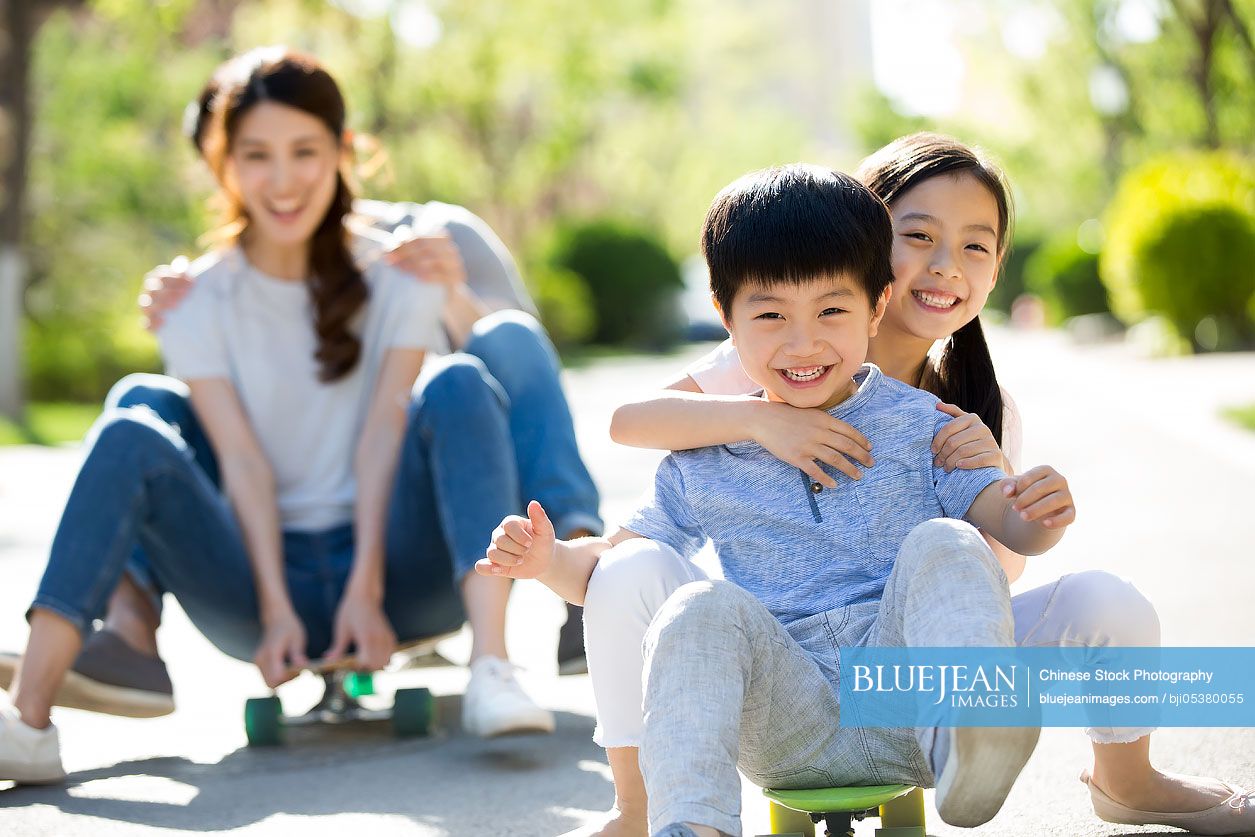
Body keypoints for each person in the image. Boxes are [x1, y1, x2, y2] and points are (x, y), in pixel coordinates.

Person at [583, 134, 1255, 835]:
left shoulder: (971, 409)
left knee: (1106, 602)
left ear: (997, 267)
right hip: (785, 669)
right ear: (865, 240)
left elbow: (996, 566)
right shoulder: (787, 342)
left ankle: (1124, 778)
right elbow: (632, 420)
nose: (944, 266)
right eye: (918, 236)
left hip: (911, 671)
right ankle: (645, 809)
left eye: (975, 246)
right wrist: (762, 421)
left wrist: (1018, 502)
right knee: (630, 568)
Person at [0, 47, 556, 784]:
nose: (284, 180)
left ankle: (493, 667)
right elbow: (243, 463)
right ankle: (29, 723)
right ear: (223, 164)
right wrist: (274, 606)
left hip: (397, 572)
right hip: (254, 587)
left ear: (342, 153)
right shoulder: (195, 299)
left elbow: (382, 437)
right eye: (256, 155)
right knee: (130, 428)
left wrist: (363, 589)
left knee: (457, 380)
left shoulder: (398, 272)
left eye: (305, 152)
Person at [483, 163, 1083, 836]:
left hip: (902, 704)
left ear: (876, 306)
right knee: (699, 606)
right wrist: (546, 560)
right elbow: (611, 571)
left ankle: (975, 732)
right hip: (781, 721)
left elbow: (1003, 528)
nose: (803, 343)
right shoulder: (706, 454)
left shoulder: (926, 424)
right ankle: (690, 822)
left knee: (945, 540)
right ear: (725, 317)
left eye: (831, 310)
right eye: (770, 315)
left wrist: (1035, 516)